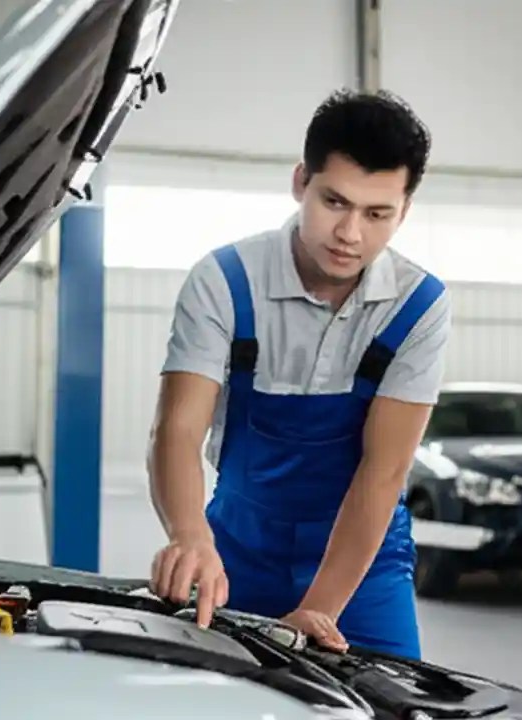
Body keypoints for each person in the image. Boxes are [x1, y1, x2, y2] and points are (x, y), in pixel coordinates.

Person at [144, 88, 450, 660]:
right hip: (234, 551)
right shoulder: (225, 281)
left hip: (364, 566)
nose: (351, 233)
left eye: (377, 213)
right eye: (335, 202)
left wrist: (323, 607)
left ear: (403, 212)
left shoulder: (419, 305)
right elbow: (177, 431)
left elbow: (383, 474)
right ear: (299, 182)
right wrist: (188, 536)